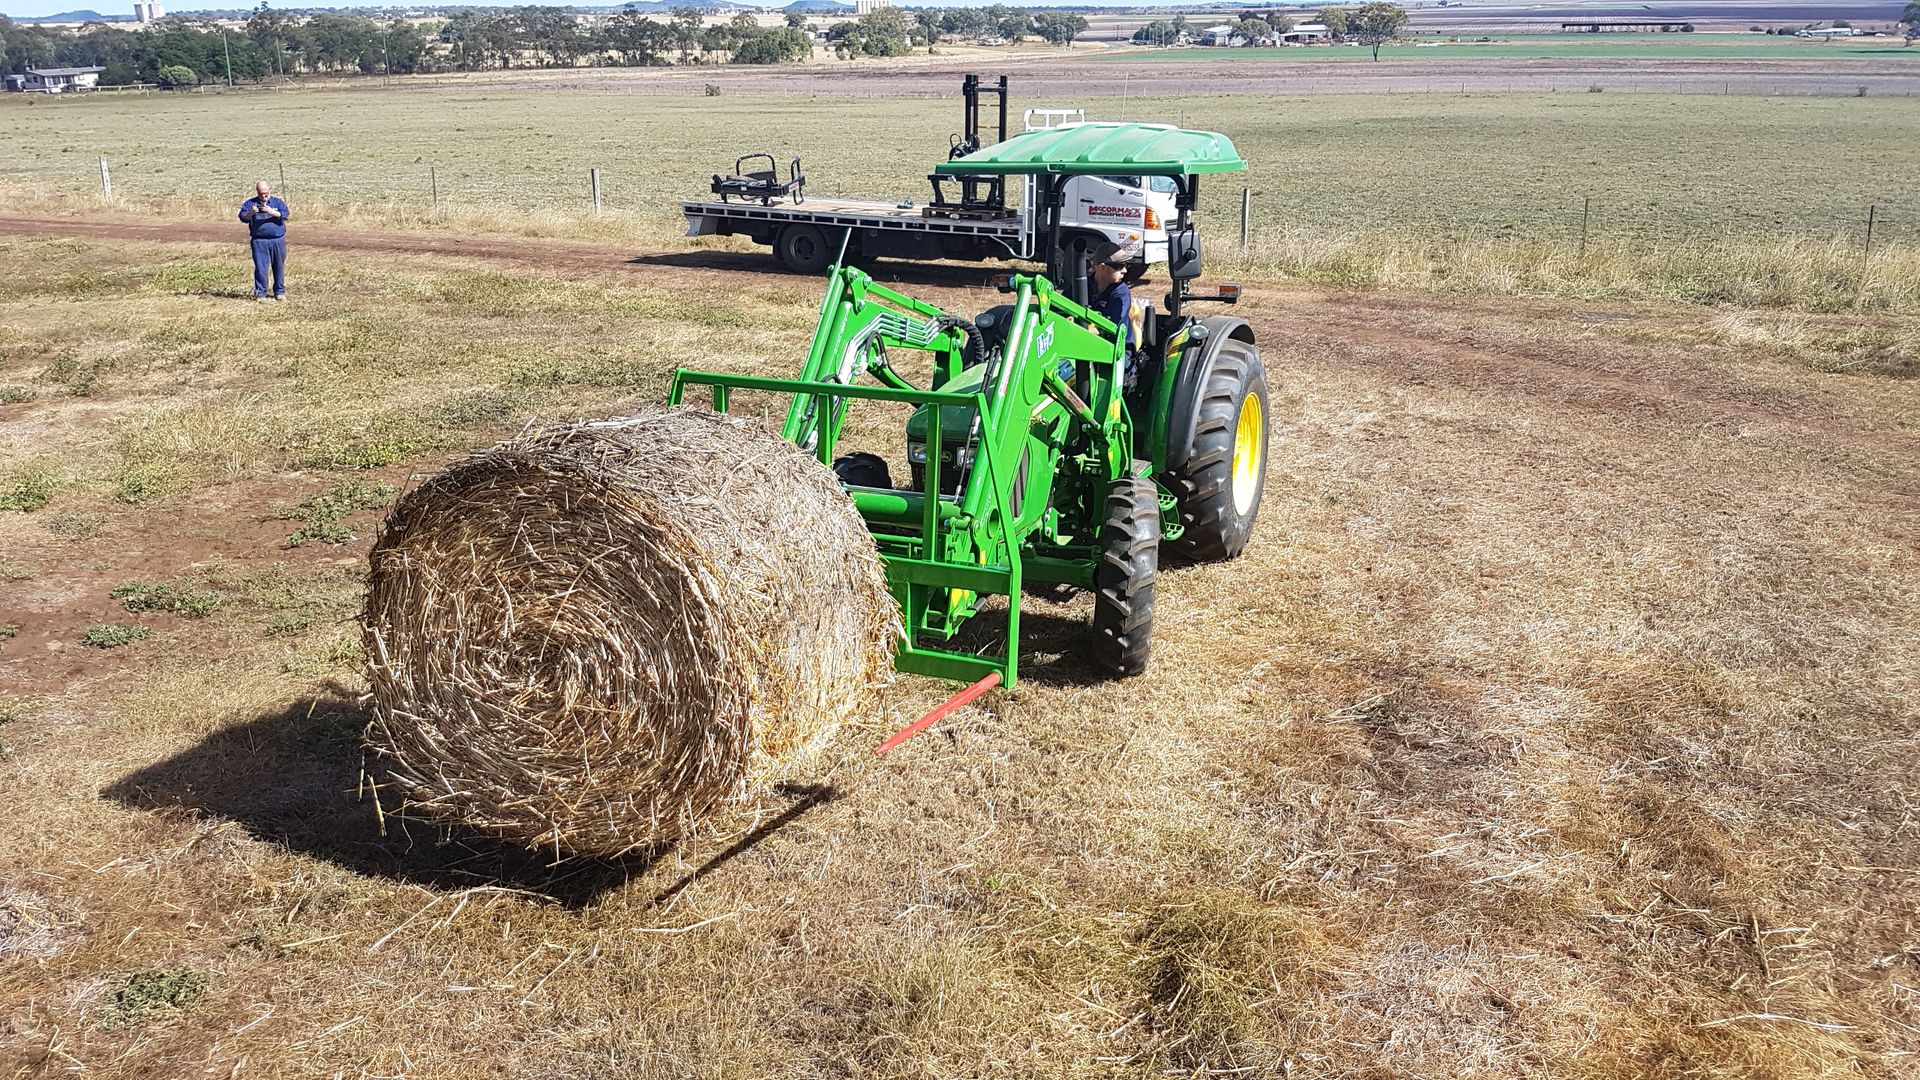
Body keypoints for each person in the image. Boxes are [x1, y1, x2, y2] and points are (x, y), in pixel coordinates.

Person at [1089, 239, 1141, 387]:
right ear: (1102, 267)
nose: (1124, 270)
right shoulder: (1080, 285)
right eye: (1119, 266)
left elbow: (1110, 327)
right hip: (1086, 346)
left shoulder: (1121, 293)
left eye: (1126, 266)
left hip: (1116, 350)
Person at [238, 180, 290, 301]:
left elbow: (286, 214)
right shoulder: (250, 203)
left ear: (269, 190)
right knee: (261, 268)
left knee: (279, 266)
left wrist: (272, 212)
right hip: (259, 241)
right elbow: (242, 217)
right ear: (257, 192)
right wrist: (251, 213)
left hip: (277, 240)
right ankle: (261, 293)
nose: (264, 196)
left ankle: (279, 291)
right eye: (261, 194)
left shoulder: (277, 202)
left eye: (266, 193)